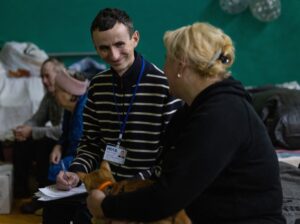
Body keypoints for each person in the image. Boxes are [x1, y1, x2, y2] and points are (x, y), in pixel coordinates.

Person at [86, 22, 286, 224]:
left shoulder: (223, 113)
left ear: (180, 65)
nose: (163, 69)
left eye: (166, 60)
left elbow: (168, 196)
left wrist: (105, 206)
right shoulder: (195, 110)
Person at [42, 8, 181, 224]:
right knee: (54, 208)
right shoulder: (97, 85)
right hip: (104, 184)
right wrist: (77, 172)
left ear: (135, 39)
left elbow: (174, 154)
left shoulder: (164, 85)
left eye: (120, 44)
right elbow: (90, 142)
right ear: (95, 47)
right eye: (104, 48)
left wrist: (129, 185)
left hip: (146, 187)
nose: (114, 56)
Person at [12, 58, 65, 213]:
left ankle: (42, 197)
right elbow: (38, 118)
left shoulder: (68, 91)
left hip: (66, 140)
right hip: (56, 138)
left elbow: (63, 129)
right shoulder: (50, 95)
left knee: (44, 143)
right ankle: (20, 191)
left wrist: (33, 131)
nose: (44, 80)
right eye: (42, 76)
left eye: (47, 76)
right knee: (21, 141)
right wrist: (25, 128)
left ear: (60, 74)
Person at [48, 70, 89, 182]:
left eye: (57, 90)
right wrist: (59, 146)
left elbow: (81, 151)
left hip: (85, 159)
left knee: (54, 171)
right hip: (74, 153)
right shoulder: (69, 109)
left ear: (69, 94)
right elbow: (65, 133)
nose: (53, 93)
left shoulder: (83, 112)